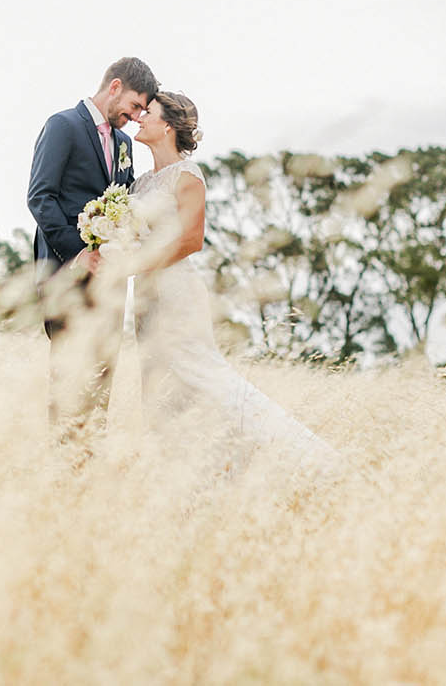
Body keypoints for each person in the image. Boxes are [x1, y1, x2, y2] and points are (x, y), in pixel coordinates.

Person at [126, 91, 341, 477]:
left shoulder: (187, 175)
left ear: (169, 126)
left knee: (200, 377)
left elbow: (192, 239)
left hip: (176, 294)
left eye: (148, 112)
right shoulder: (140, 182)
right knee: (158, 387)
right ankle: (184, 478)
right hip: (144, 298)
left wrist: (135, 263)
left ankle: (305, 461)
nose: (140, 117)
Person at [26, 57, 157, 441]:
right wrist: (79, 252)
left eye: (141, 112)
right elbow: (40, 197)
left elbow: (124, 202)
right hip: (66, 275)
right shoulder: (63, 126)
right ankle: (64, 472)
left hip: (110, 282)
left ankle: (89, 477)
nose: (135, 117)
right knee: (68, 382)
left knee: (102, 381)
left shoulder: (123, 144)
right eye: (134, 105)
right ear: (114, 87)